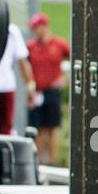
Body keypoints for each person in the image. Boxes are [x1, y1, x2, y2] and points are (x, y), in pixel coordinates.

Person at [26, 12, 69, 164]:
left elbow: (75, 58)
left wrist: (65, 78)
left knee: (52, 127)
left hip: (52, 90)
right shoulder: (31, 47)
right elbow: (25, 66)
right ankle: (38, 161)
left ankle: (52, 161)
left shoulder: (58, 44)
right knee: (39, 127)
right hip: (38, 91)